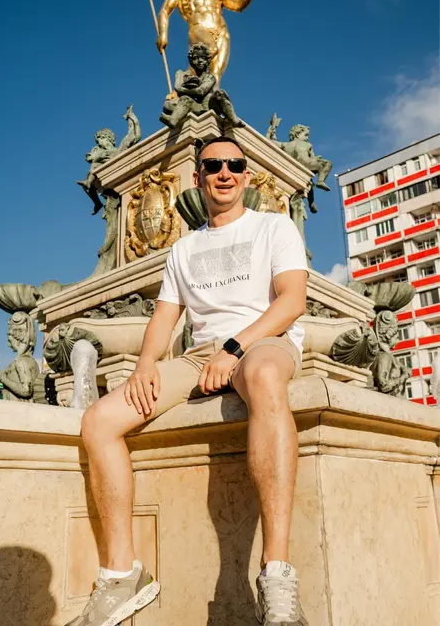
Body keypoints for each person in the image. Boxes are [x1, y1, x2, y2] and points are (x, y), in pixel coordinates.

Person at [66, 136, 309, 626]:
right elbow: (164, 316)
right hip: (199, 358)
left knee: (263, 375)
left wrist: (235, 347)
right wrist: (145, 364)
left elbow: (292, 301)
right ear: (197, 178)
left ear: (246, 175)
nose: (224, 173)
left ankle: (277, 575)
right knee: (99, 421)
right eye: (213, 165)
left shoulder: (273, 227)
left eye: (234, 164)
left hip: (262, 342)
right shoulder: (183, 248)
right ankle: (123, 575)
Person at [157, 0, 266, 81]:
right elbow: (165, 11)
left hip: (221, 30)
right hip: (199, 27)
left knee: (215, 74)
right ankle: (185, 80)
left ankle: (208, 96)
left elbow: (238, 5)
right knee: (211, 49)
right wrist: (163, 34)